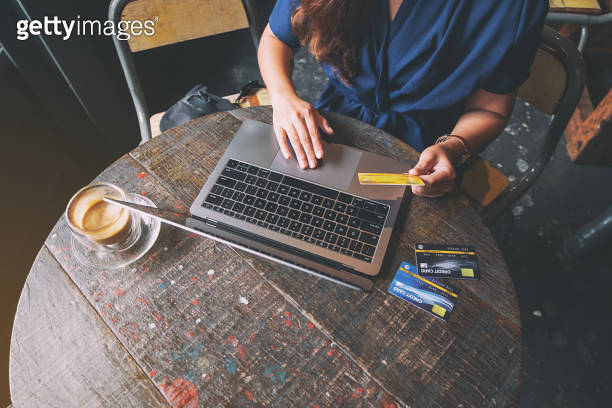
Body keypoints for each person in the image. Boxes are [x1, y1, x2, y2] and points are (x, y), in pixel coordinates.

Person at [257, 0, 548, 197]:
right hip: (335, 128)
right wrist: (283, 97)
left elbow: (490, 109)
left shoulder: (513, 7)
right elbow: (275, 38)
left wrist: (452, 147)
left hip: (426, 152)